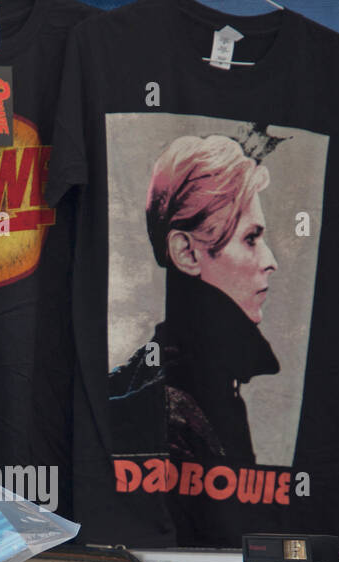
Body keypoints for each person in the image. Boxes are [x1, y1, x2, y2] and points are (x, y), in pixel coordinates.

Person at [110, 133, 280, 470]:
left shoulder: (205, 381)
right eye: (250, 238)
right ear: (186, 252)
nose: (271, 260)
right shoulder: (176, 405)